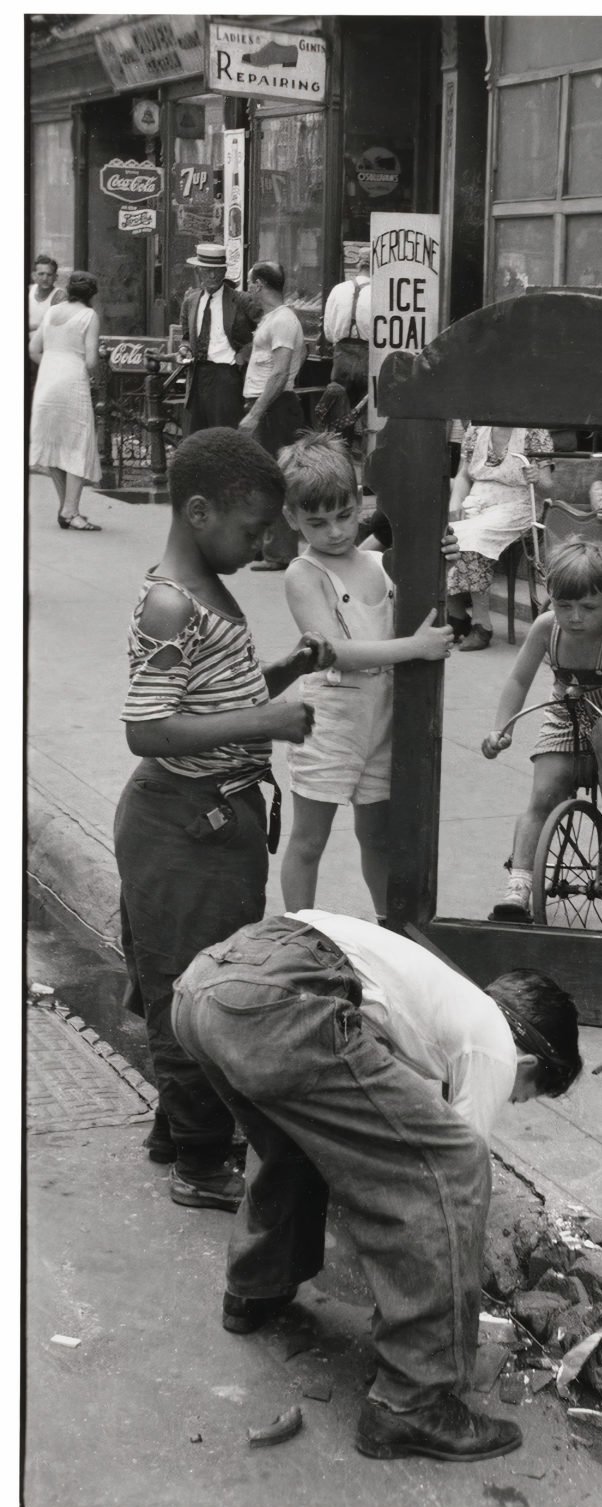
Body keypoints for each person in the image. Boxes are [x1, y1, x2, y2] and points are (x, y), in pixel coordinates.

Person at [171, 909, 583, 1461]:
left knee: (296, 1136)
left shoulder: (434, 995)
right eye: (527, 1092)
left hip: (208, 984)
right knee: (456, 1166)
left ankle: (256, 1289)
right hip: (281, 998)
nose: (516, 1097)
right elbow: (453, 1171)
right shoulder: (496, 1047)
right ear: (528, 1060)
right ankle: (413, 1403)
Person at [114, 428, 334, 1213]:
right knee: (194, 994)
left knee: (195, 980)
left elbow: (210, 698)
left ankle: (180, 1132)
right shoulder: (172, 602)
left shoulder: (203, 591)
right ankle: (202, 1165)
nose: (264, 545)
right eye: (253, 530)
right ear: (200, 512)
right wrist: (268, 723)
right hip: (182, 826)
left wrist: (285, 671)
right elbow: (148, 729)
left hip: (210, 820)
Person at [276, 432, 456, 916]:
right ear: (291, 517)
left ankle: (388, 926)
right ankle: (299, 929)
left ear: (361, 502)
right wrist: (415, 648)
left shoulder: (380, 563)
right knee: (309, 839)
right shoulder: (303, 573)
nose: (335, 531)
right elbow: (332, 651)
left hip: (383, 718)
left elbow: (427, 596)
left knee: (378, 837)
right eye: (317, 522)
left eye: (344, 515)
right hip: (330, 721)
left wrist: (441, 555)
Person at [483, 537, 602, 922]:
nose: (575, 617)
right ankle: (519, 885)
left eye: (588, 607)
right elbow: (518, 680)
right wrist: (501, 729)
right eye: (563, 605)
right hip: (565, 714)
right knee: (543, 794)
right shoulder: (547, 628)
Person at [446, 423, 554, 650]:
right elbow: (463, 475)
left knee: (474, 537)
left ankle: (481, 624)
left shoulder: (534, 432)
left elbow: (548, 487)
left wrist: (536, 477)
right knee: (445, 534)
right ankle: (456, 616)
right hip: (477, 502)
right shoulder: (475, 429)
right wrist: (455, 504)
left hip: (518, 506)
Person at [239, 261, 307, 570]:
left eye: (250, 283)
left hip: (273, 407)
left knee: (274, 479)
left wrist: (256, 413)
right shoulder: (274, 318)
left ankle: (279, 552)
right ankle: (264, 546)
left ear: (258, 285)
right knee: (261, 478)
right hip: (267, 403)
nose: (248, 290)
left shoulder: (283, 320)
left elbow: (280, 373)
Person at [28, 268, 103, 531]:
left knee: (55, 446)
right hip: (73, 384)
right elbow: (91, 360)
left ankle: (66, 510)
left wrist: (53, 363)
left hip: (47, 383)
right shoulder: (89, 315)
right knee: (77, 446)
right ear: (91, 294)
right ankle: (71, 511)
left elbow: (33, 349)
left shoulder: (51, 312)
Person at [177, 242, 258, 435]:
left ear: (225, 271)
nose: (212, 276)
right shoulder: (190, 302)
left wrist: (245, 352)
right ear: (198, 271)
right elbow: (186, 337)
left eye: (217, 270)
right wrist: (184, 349)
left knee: (225, 434)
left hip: (226, 377)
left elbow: (267, 327)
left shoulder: (241, 300)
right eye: (207, 271)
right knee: (196, 436)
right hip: (197, 376)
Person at [321, 243, 372, 409]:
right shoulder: (379, 292)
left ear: (358, 265)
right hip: (368, 358)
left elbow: (328, 333)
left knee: (340, 409)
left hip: (342, 358)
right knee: (365, 409)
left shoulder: (338, 289)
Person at [28, 253, 65, 334]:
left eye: (49, 275)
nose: (45, 278)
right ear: (33, 276)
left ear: (55, 277)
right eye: (41, 274)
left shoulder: (59, 296)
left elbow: (54, 326)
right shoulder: (29, 290)